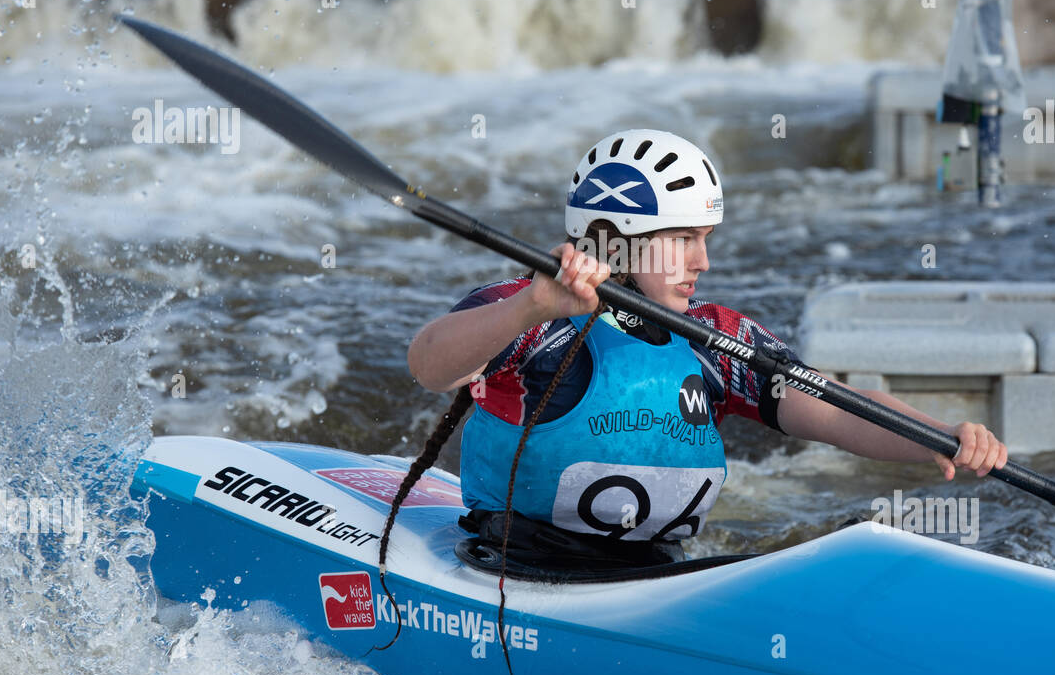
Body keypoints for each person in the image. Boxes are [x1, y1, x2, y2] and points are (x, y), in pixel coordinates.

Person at [400, 129, 1008, 573]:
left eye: (706, 239)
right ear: (617, 239)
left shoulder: (716, 340)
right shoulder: (531, 313)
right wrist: (530, 307)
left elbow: (835, 408)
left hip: (653, 572)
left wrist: (943, 436)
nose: (703, 262)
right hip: (515, 564)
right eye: (685, 239)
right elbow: (430, 365)